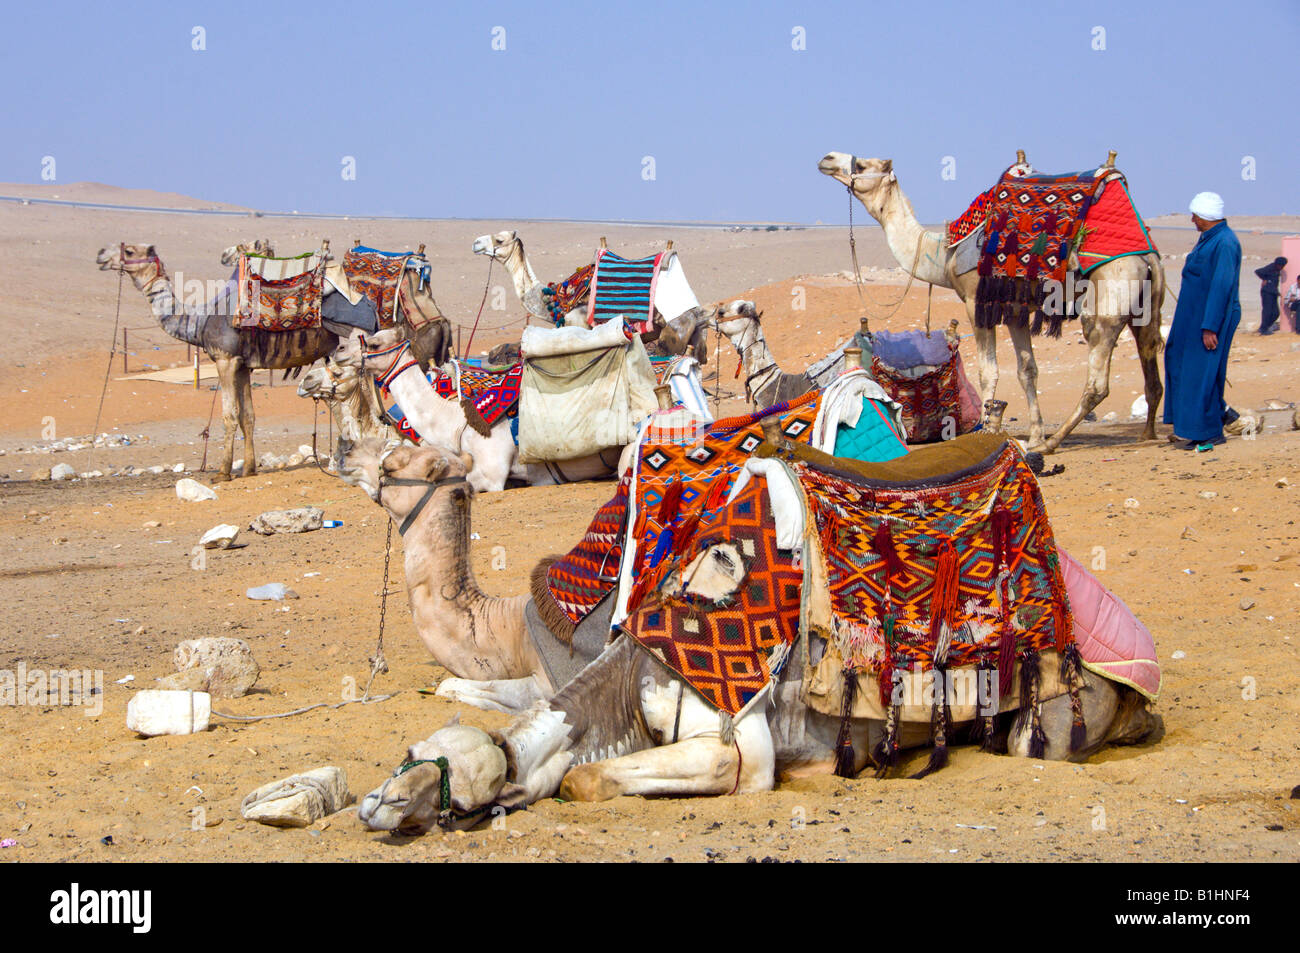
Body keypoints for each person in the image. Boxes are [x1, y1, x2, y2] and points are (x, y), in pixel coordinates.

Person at [1163, 191, 1241, 451]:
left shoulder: (1225, 243)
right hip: (1193, 315)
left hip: (1210, 317)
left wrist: (1210, 327)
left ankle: (1209, 432)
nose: (1192, 220)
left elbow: (1221, 286)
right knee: (1179, 362)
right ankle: (1193, 429)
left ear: (1205, 216)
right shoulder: (1208, 239)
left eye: (1195, 215)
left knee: (1203, 372)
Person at [1254, 256, 1287, 334]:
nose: (1281, 267)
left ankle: (1265, 326)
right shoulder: (1271, 267)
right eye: (1281, 266)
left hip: (1273, 293)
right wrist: (1264, 279)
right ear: (1277, 264)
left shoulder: (1277, 269)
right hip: (1267, 292)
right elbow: (1258, 271)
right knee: (1267, 311)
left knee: (1276, 313)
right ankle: (1263, 329)